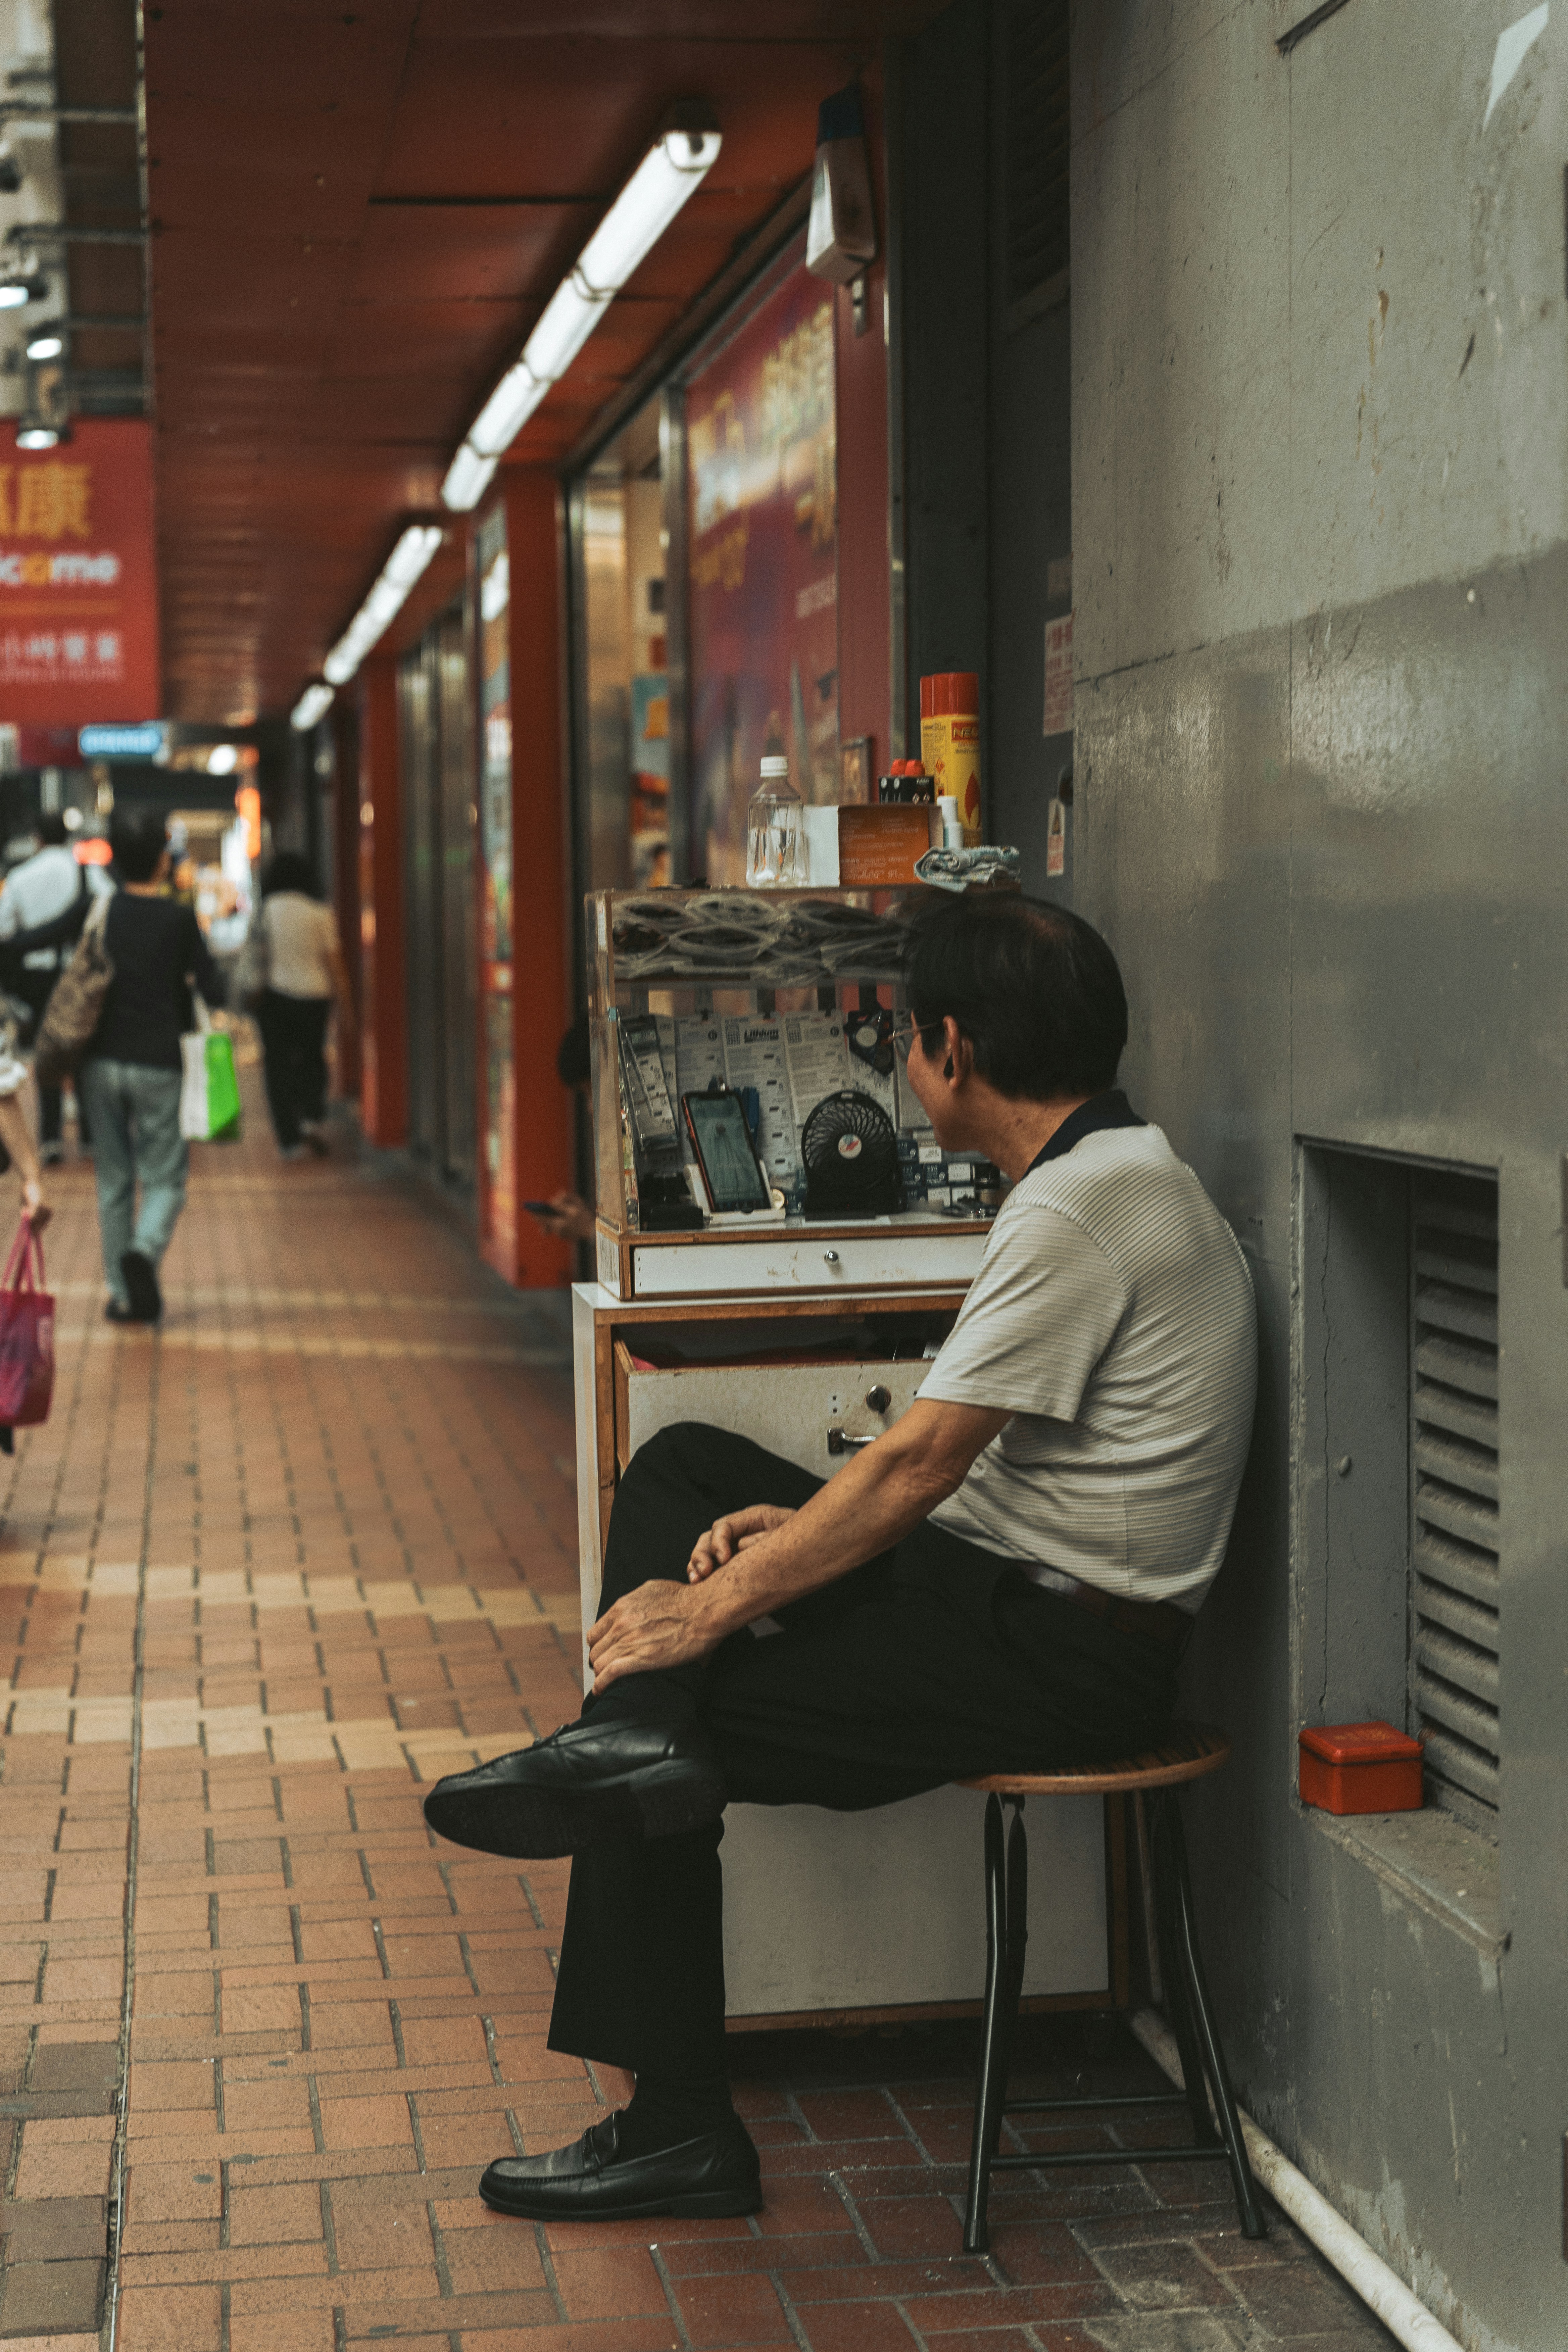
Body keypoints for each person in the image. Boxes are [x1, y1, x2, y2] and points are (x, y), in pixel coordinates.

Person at [423, 893, 1260, 2225]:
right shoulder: (1114, 1178)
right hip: (1001, 1589)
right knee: (688, 1469)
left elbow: (918, 1462)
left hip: (1055, 1652)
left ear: (950, 1048)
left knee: (660, 1757)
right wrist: (795, 1543)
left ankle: (679, 2121)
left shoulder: (1079, 1215)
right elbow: (945, 1481)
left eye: (908, 1042)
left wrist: (722, 1611)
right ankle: (631, 1731)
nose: (905, 1068)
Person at [80, 807, 224, 1326]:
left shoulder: (98, 912)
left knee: (114, 1182)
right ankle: (143, 1251)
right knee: (165, 1179)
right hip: (160, 1062)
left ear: (114, 859)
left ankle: (122, 1294)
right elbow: (213, 986)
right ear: (164, 860)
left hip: (99, 1062)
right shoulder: (179, 918)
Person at [0, 812, 94, 1163]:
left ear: (37, 838)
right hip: (79, 976)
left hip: (36, 979)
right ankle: (90, 1135)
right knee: (83, 1049)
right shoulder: (87, 872)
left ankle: (51, 1138)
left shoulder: (20, 877)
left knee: (46, 1056)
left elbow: (4, 928)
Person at [250, 850, 353, 1160]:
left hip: (277, 997)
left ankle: (289, 1139)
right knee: (313, 1058)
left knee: (277, 1066)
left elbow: (258, 954)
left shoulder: (269, 909)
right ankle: (312, 1117)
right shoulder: (321, 913)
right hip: (315, 997)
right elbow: (335, 964)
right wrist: (347, 1007)